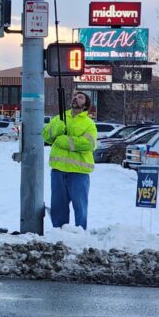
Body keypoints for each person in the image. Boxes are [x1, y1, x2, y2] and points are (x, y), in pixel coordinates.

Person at [42, 91, 97, 230]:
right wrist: (57, 128)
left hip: (79, 173)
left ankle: (80, 234)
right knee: (58, 207)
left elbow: (88, 144)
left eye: (80, 97)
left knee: (80, 208)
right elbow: (45, 136)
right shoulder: (59, 118)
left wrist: (64, 141)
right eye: (75, 96)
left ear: (85, 105)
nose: (76, 99)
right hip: (58, 171)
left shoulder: (88, 123)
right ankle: (59, 234)